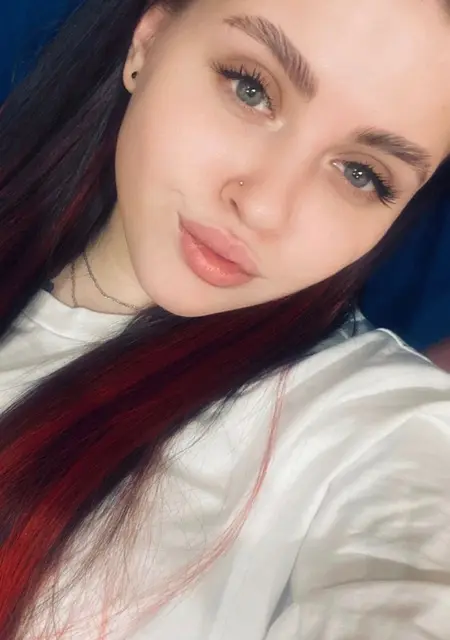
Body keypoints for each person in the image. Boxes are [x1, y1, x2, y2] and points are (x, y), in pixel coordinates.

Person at [2, 0, 450, 638]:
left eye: (361, 174)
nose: (264, 208)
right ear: (148, 40)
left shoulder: (379, 426)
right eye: (252, 89)